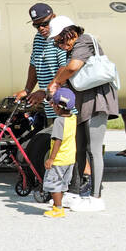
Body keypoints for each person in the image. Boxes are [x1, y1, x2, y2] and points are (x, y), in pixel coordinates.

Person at [47, 16, 119, 212]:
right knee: (78, 148)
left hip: (99, 100)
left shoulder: (83, 40)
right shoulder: (73, 47)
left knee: (93, 149)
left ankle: (96, 198)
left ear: (68, 33)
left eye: (59, 40)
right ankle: (74, 193)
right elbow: (67, 69)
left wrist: (56, 83)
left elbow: (73, 67)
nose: (58, 44)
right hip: (84, 102)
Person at [15, 3, 66, 124]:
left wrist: (45, 91)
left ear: (54, 17)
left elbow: (65, 68)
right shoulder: (38, 38)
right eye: (36, 25)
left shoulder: (62, 37)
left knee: (64, 141)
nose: (41, 28)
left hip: (66, 105)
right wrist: (27, 90)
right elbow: (34, 64)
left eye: (44, 24)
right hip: (51, 105)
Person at [42, 89, 78, 219]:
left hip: (59, 159)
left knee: (54, 185)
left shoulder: (59, 121)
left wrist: (51, 158)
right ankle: (58, 205)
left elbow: (58, 140)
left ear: (57, 107)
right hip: (70, 158)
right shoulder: (73, 118)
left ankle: (58, 209)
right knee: (62, 184)